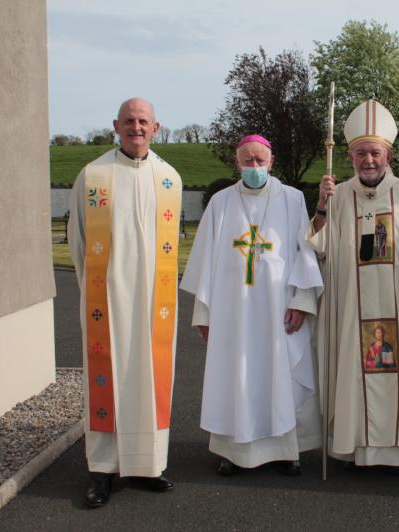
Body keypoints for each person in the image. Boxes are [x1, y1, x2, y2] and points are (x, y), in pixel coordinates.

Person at [180, 134, 323, 477]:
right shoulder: (221, 203)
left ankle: (287, 451)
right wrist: (204, 312)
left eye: (260, 161)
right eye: (248, 161)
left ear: (271, 161)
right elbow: (204, 262)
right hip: (233, 315)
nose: (255, 167)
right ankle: (234, 451)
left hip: (278, 312)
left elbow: (305, 253)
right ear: (237, 162)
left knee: (281, 374)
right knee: (234, 376)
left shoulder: (290, 199)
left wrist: (302, 301)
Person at [68, 97, 181, 508]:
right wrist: (94, 294)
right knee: (108, 378)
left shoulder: (170, 179)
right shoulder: (94, 175)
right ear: (116, 125)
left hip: (154, 304)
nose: (136, 127)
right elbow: (78, 241)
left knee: (150, 379)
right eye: (129, 120)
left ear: (156, 127)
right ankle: (101, 470)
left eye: (144, 121)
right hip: (109, 303)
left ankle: (148, 465)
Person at [310, 99, 399, 470]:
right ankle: (352, 448)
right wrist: (320, 206)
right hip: (350, 309)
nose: (368, 160)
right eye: (360, 153)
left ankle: (391, 453)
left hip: (395, 309)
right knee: (352, 376)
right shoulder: (339, 196)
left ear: (389, 154)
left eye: (375, 153)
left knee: (394, 378)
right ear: (349, 156)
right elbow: (318, 249)